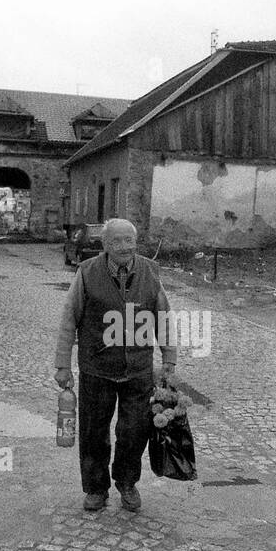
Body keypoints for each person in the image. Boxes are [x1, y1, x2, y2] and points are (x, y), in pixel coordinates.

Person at [54, 218, 176, 512]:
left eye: (129, 240)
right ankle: (96, 488)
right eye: (117, 241)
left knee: (134, 432)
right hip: (97, 366)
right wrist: (62, 365)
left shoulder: (150, 271)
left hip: (138, 368)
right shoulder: (87, 272)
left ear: (136, 242)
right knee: (94, 432)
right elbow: (69, 318)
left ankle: (126, 483)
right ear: (105, 245)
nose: (124, 247)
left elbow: (163, 317)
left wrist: (169, 358)